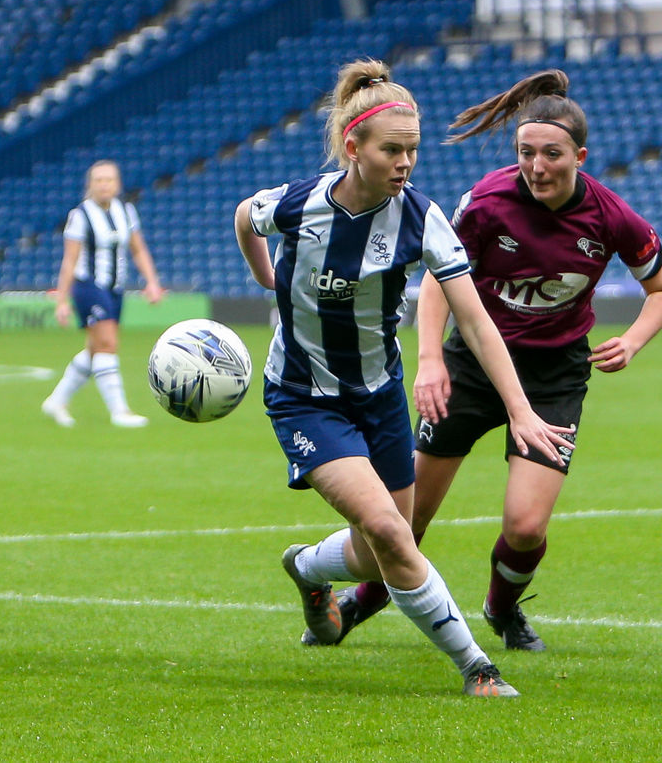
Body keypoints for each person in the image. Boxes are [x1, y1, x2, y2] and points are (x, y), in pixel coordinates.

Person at [234, 59, 574, 697]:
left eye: (412, 151)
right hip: (304, 399)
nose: (405, 164)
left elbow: (474, 322)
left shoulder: (421, 217)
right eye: (392, 150)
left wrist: (521, 410)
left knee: (375, 550)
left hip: (380, 398)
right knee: (391, 533)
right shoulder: (297, 203)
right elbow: (244, 217)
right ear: (351, 147)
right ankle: (478, 668)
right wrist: (265, 277)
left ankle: (307, 570)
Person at [318, 69, 662, 652]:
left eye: (552, 154)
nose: (537, 167)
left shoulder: (611, 216)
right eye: (526, 152)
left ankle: (502, 611)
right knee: (407, 518)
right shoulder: (487, 200)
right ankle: (361, 601)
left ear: (579, 155)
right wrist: (432, 359)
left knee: (526, 527)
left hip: (554, 376)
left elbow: (659, 288)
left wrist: (632, 340)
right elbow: (435, 279)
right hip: (470, 368)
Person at [41, 160, 164, 428]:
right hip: (88, 287)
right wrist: (62, 300)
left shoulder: (126, 211)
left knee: (95, 348)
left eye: (109, 179)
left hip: (115, 288)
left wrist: (152, 282)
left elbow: (138, 249)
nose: (104, 184)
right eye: (98, 180)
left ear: (117, 184)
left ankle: (56, 401)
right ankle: (119, 411)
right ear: (90, 185)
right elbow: (69, 261)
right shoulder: (80, 215)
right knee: (108, 344)